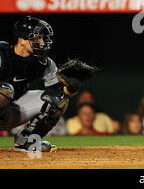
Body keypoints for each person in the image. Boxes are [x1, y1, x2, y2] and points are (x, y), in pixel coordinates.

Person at [0, 16, 82, 152]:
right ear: (21, 40)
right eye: (37, 38)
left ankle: (27, 140)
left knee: (58, 99)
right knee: (5, 90)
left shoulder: (44, 62)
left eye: (43, 38)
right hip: (3, 99)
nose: (42, 42)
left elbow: (60, 94)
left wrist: (72, 86)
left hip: (11, 111)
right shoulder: (2, 53)